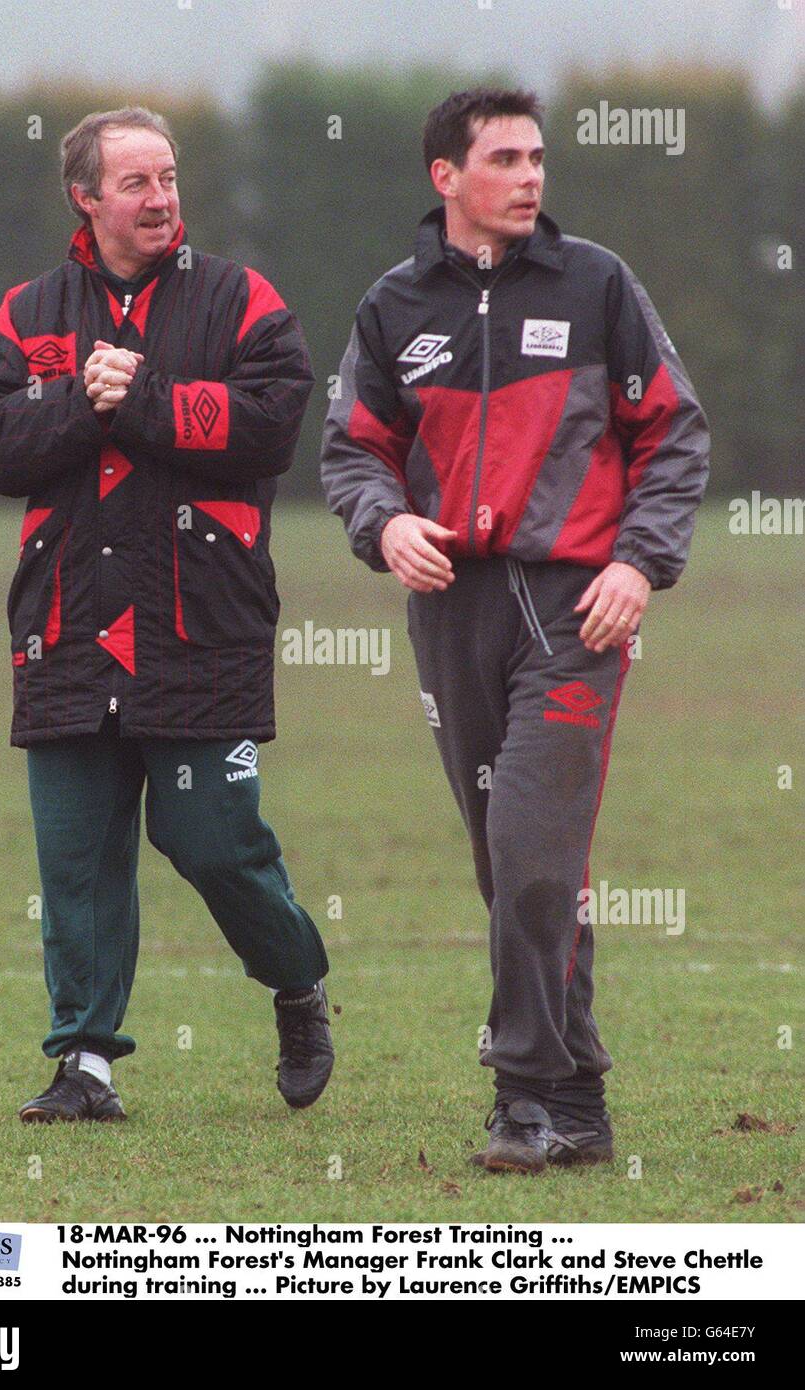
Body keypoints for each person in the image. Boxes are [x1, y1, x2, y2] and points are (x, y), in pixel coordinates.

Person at [320, 87, 709, 1173]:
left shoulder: (596, 285)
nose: (531, 175)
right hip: (452, 607)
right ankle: (580, 1096)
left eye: (537, 156)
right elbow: (351, 449)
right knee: (513, 868)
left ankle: (524, 1097)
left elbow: (672, 432)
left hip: (576, 605)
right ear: (445, 176)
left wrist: (639, 561)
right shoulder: (392, 307)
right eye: (504, 157)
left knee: (534, 850)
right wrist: (385, 519)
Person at [0, 106, 333, 1123]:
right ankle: (84, 1062)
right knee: (76, 861)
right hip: (66, 628)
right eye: (135, 184)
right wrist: (79, 398)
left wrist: (144, 397)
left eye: (168, 178)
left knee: (213, 843)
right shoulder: (31, 310)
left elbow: (273, 422)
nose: (161, 198)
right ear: (85, 198)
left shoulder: (244, 299)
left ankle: (297, 980)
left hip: (203, 629)